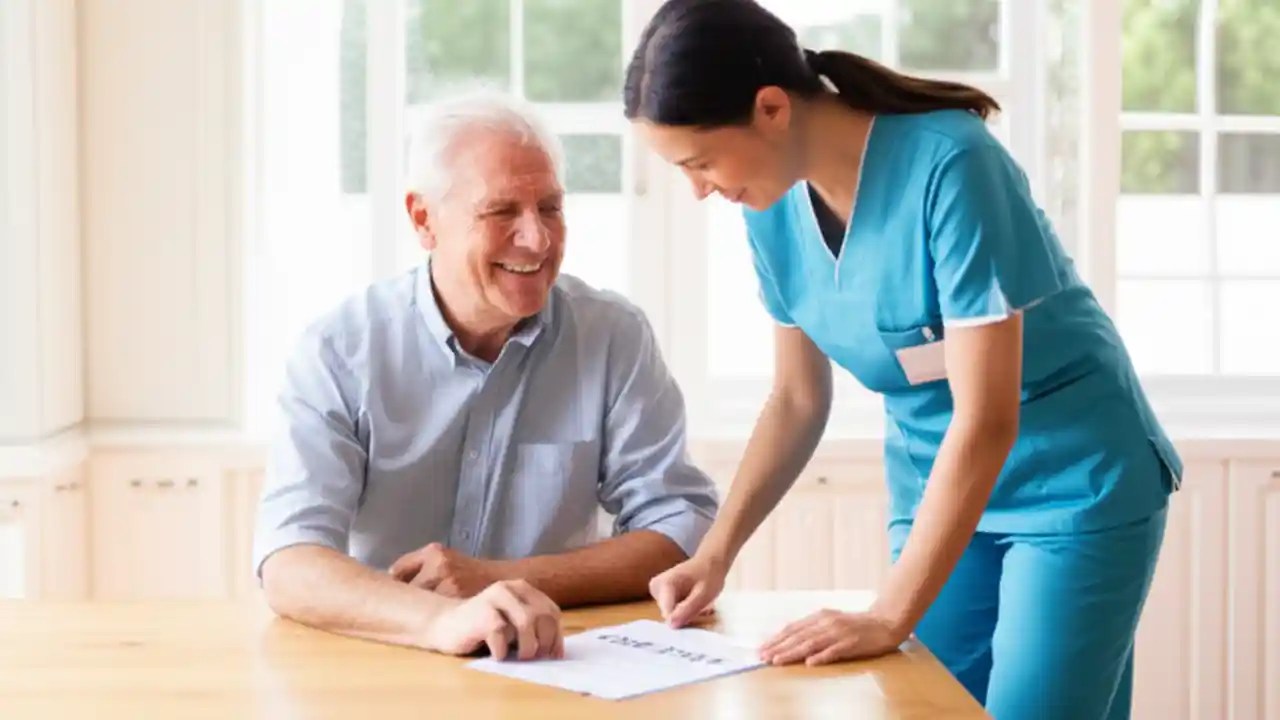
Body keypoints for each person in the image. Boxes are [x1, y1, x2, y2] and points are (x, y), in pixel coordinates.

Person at [626, 1, 1180, 718]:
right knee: (926, 707)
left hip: (1070, 481)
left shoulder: (954, 164)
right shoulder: (768, 209)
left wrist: (888, 615)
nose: (699, 189)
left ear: (770, 108)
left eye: (699, 162)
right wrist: (714, 554)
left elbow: (986, 417)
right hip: (935, 489)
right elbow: (797, 398)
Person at [253, 90, 718, 660]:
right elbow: (291, 561)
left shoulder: (613, 335)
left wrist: (497, 580)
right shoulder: (338, 349)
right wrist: (442, 620)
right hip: (384, 656)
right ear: (424, 219)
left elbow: (679, 528)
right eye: (502, 212)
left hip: (555, 664)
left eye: (550, 207)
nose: (538, 238)